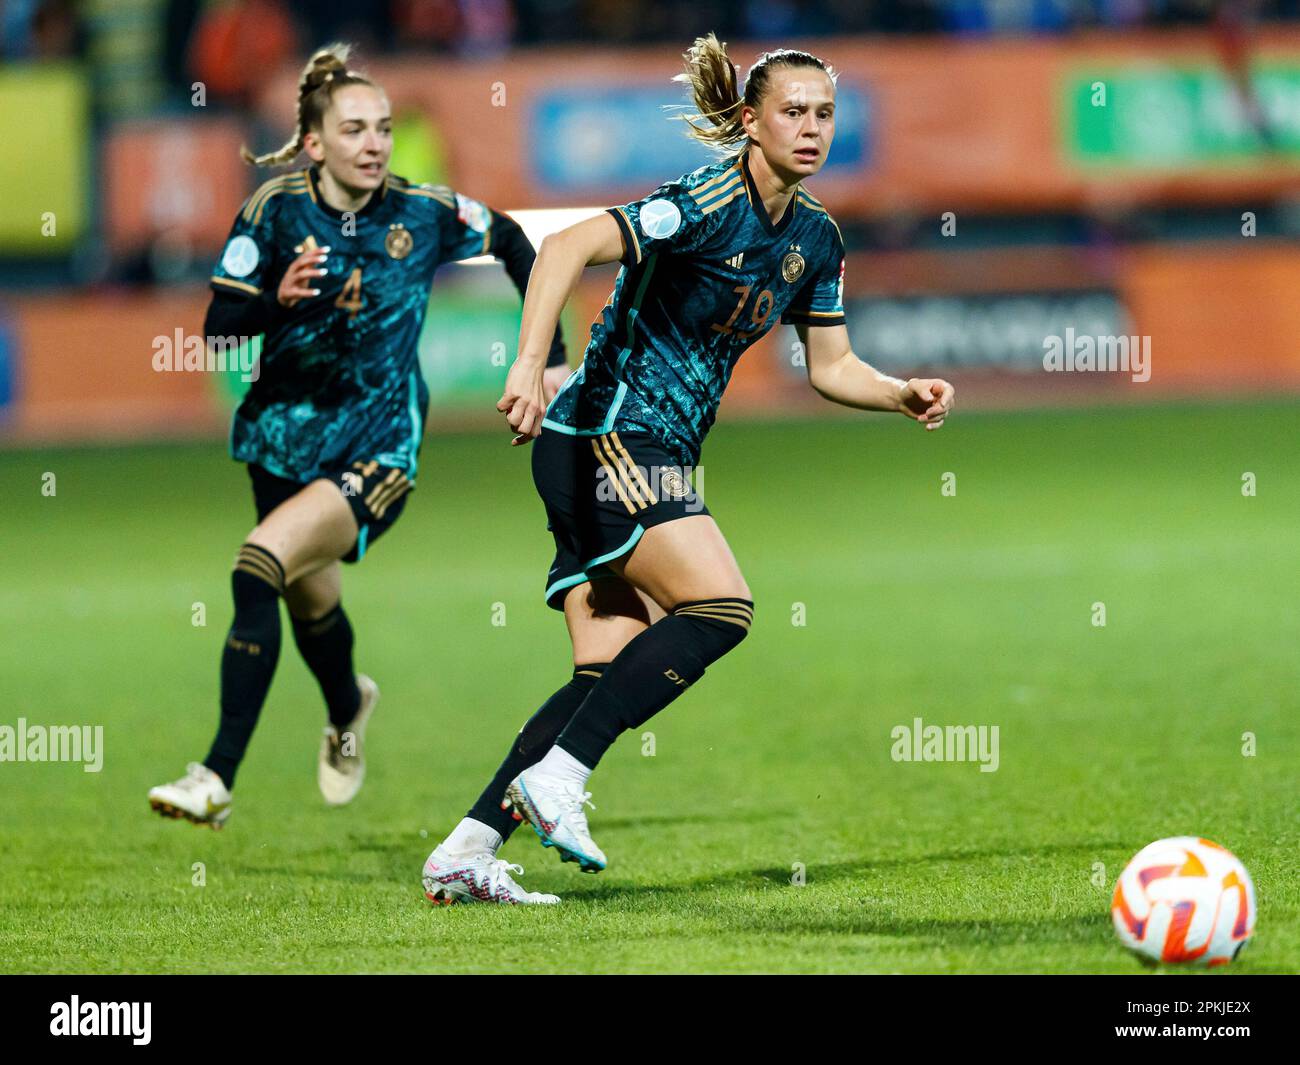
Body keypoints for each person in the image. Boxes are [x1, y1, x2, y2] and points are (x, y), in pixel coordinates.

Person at [420, 34, 954, 904]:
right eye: (792, 112)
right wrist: (526, 363)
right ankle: (560, 779)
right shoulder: (700, 202)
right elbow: (562, 251)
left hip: (639, 447)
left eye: (824, 113)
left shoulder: (815, 238)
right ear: (751, 120)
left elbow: (829, 366)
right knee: (722, 604)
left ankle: (468, 848)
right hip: (608, 434)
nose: (812, 128)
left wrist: (899, 393)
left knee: (603, 674)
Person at [148, 43, 569, 828]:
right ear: (314, 144)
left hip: (378, 447)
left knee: (256, 568)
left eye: (382, 127)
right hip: (280, 440)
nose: (375, 143)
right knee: (311, 606)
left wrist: (547, 357)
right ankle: (348, 706)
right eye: (354, 130)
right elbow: (218, 331)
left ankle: (215, 776)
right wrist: (275, 300)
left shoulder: (424, 212)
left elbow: (516, 241)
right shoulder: (272, 214)